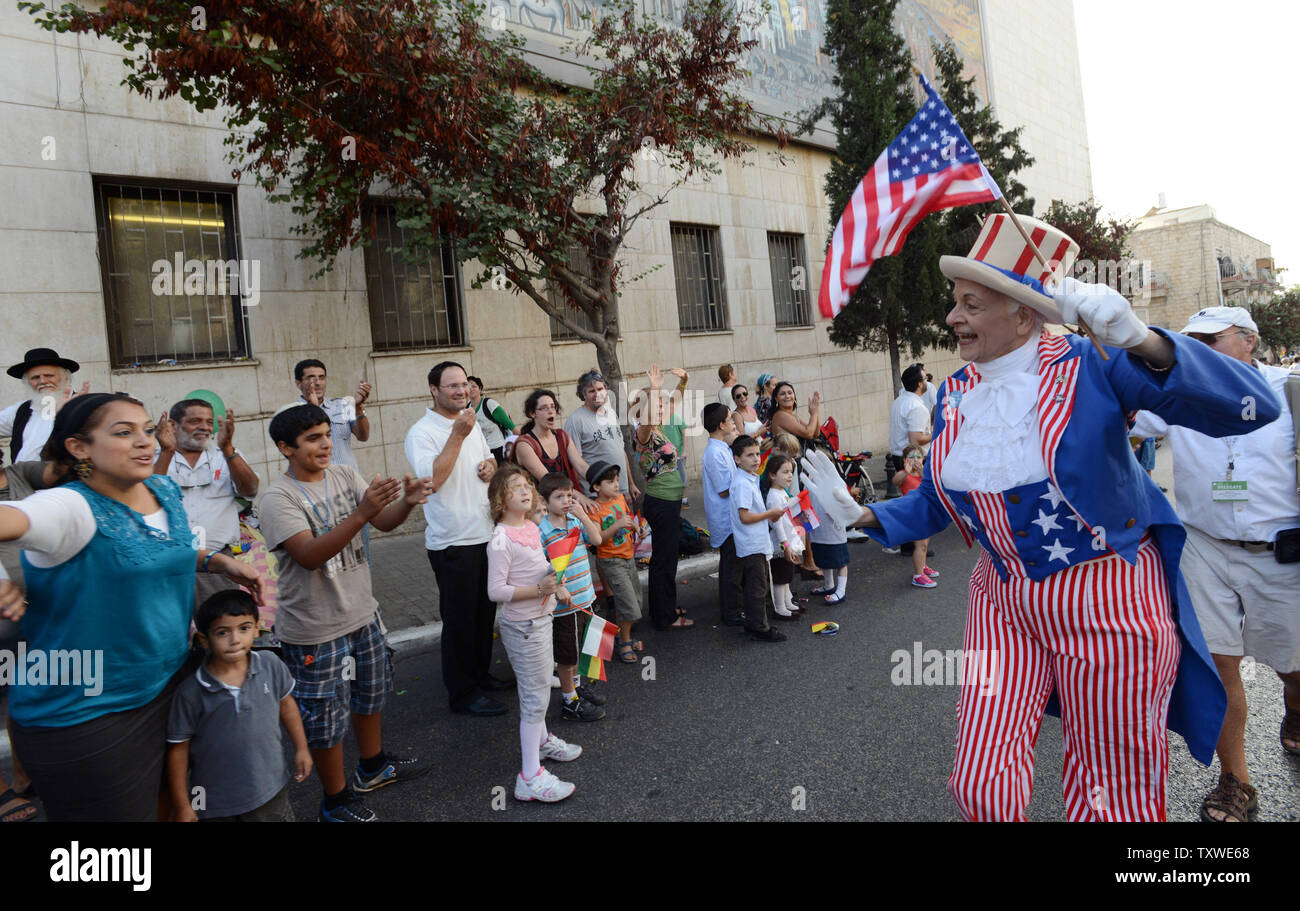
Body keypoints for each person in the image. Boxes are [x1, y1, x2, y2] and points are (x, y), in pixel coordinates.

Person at [805, 213, 1279, 821]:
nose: (953, 318)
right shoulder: (953, 393)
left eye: (971, 304)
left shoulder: (1093, 365)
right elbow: (945, 499)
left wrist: (1143, 340)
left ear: (1024, 314)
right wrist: (864, 514)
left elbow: (1251, 406)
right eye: (956, 303)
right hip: (1001, 599)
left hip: (1108, 600)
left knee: (1113, 789)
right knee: (980, 781)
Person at [0, 392, 262, 821]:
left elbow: (159, 547)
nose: (145, 442)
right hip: (86, 712)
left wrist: (217, 561)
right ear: (79, 447)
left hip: (169, 685)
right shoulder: (69, 507)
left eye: (145, 430)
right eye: (123, 433)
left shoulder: (161, 488)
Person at [1131, 306, 1300, 823]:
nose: (1197, 349)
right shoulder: (1178, 393)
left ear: (1249, 340)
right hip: (1204, 547)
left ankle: (1293, 706)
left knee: (1293, 667)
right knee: (1218, 665)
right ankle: (1235, 781)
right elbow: (1119, 415)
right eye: (1191, 341)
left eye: (1212, 338)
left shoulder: (1292, 391)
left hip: (1281, 551)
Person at [261, 403, 432, 822]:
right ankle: (335, 800)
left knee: (370, 694)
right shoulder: (277, 497)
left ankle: (371, 767)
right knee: (325, 717)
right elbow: (308, 555)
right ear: (286, 448)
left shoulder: (342, 473)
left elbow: (385, 523)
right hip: (315, 629)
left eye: (325, 434)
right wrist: (362, 512)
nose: (325, 444)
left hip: (363, 614)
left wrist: (407, 502)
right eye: (313, 439)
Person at [405, 361, 508, 717]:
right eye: (452, 386)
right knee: (460, 619)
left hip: (484, 533)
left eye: (464, 384)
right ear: (433, 390)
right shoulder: (423, 432)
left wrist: (491, 467)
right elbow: (430, 481)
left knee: (483, 614)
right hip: (453, 541)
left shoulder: (469, 422)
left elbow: (486, 463)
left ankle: (480, 675)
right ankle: (462, 693)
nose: (461, 390)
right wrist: (458, 435)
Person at [166, 590, 311, 822]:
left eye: (244, 628)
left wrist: (302, 749)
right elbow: (178, 749)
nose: (235, 639)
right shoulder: (190, 692)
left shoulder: (271, 665)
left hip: (269, 788)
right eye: (223, 632)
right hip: (214, 801)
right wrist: (182, 804)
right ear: (204, 640)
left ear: (256, 628)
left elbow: (287, 705)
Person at [485, 465, 583, 803]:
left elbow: (541, 565)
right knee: (535, 699)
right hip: (524, 627)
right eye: (515, 488)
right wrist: (539, 588)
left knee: (539, 689)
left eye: (527, 485)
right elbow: (496, 591)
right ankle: (529, 776)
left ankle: (542, 743)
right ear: (500, 499)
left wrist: (556, 585)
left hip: (541, 619)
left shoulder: (530, 526)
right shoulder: (500, 540)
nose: (526, 491)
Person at [155, 397, 260, 603]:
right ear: (173, 425)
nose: (204, 427)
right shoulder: (155, 456)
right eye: (195, 421)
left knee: (218, 628)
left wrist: (229, 449)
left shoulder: (225, 455)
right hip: (169, 564)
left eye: (208, 422)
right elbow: (147, 497)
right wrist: (167, 451)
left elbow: (250, 490)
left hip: (218, 566)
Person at [536, 472, 607, 722]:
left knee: (581, 650)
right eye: (559, 497)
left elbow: (597, 539)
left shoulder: (575, 522)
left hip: (585, 598)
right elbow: (540, 566)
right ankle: (569, 701)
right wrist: (557, 587)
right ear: (545, 502)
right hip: (564, 606)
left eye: (569, 495)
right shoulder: (542, 530)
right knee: (567, 657)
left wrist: (583, 515)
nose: (566, 501)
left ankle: (576, 688)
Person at [633, 365, 692, 630]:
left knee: (667, 558)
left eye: (660, 406)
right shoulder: (643, 434)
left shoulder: (659, 429)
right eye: (656, 406)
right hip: (660, 501)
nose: (661, 410)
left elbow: (673, 403)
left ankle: (665, 608)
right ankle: (664, 616)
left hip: (669, 500)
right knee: (664, 561)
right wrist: (654, 389)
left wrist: (683, 382)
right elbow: (647, 419)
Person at [730, 435, 786, 642]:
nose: (756, 459)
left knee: (758, 585)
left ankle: (756, 623)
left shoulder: (748, 478)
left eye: (757, 454)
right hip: (751, 543)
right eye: (749, 455)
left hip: (756, 542)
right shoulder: (742, 484)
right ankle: (760, 627)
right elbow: (745, 516)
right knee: (757, 587)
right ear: (737, 459)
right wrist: (770, 514)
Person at [587, 461, 643, 662]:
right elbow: (598, 538)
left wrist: (636, 529)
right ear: (596, 487)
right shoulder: (595, 509)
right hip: (611, 561)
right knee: (630, 606)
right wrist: (617, 525)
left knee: (634, 602)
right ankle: (624, 642)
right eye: (610, 482)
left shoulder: (619, 499)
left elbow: (627, 519)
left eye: (617, 480)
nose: (616, 485)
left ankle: (621, 636)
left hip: (628, 557)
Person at [1, 348, 87, 464]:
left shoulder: (82, 405)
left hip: (66, 479)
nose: (42, 381)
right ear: (27, 382)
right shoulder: (21, 410)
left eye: (49, 375)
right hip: (20, 480)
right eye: (35, 378)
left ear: (66, 378)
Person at [565, 370, 639, 501]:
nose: (597, 394)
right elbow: (574, 463)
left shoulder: (611, 413)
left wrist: (629, 485)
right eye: (591, 391)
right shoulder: (575, 420)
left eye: (600, 389)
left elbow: (620, 451)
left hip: (620, 492)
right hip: (596, 496)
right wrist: (583, 496)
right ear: (583, 394)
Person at [702, 403, 744, 626]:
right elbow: (724, 488)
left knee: (735, 566)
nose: (732, 423)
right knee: (730, 569)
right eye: (729, 419)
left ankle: (735, 608)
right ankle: (731, 612)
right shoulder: (714, 453)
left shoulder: (722, 448)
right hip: (725, 518)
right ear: (721, 425)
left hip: (731, 517)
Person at [513, 389, 590, 505]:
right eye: (544, 408)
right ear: (532, 413)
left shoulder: (562, 436)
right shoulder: (524, 444)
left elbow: (581, 466)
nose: (551, 411)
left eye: (553, 407)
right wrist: (580, 496)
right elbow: (548, 480)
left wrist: (601, 480)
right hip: (541, 508)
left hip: (566, 501)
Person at [291, 359, 371, 470]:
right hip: (319, 483)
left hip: (351, 481)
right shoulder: (291, 413)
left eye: (321, 377)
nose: (317, 382)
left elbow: (363, 436)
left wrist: (358, 407)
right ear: (298, 383)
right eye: (311, 377)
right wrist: (314, 409)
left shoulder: (341, 405)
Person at [890, 444, 939, 589]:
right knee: (920, 544)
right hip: (912, 513)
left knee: (925, 544)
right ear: (905, 460)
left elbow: (932, 485)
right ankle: (918, 576)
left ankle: (922, 566)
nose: (915, 459)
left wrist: (922, 471)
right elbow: (896, 481)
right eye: (911, 457)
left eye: (918, 456)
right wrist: (906, 471)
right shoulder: (903, 474)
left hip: (925, 512)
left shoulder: (925, 473)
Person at [761, 453, 803, 618]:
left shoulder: (782, 492)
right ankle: (780, 607)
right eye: (785, 472)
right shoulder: (773, 496)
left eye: (791, 471)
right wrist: (785, 545)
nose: (790, 475)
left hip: (788, 541)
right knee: (780, 577)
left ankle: (787, 602)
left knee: (787, 575)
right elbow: (776, 524)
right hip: (780, 542)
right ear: (772, 475)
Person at [888, 364, 933, 497]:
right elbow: (916, 440)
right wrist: (935, 433)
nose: (927, 382)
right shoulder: (916, 407)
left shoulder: (899, 401)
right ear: (919, 384)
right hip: (912, 459)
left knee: (908, 496)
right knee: (918, 498)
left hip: (900, 456)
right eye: (926, 379)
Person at [468, 375, 516, 464]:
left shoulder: (489, 404)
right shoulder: (466, 409)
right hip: (481, 452)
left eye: (474, 386)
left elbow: (510, 425)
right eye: (468, 387)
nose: (471, 389)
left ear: (480, 388)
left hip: (498, 449)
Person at [768, 381, 821, 447]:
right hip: (786, 456)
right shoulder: (780, 416)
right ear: (776, 399)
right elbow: (808, 433)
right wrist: (814, 414)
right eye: (782, 394)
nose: (787, 396)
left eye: (790, 393)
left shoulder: (793, 416)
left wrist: (815, 411)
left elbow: (816, 433)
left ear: (794, 396)